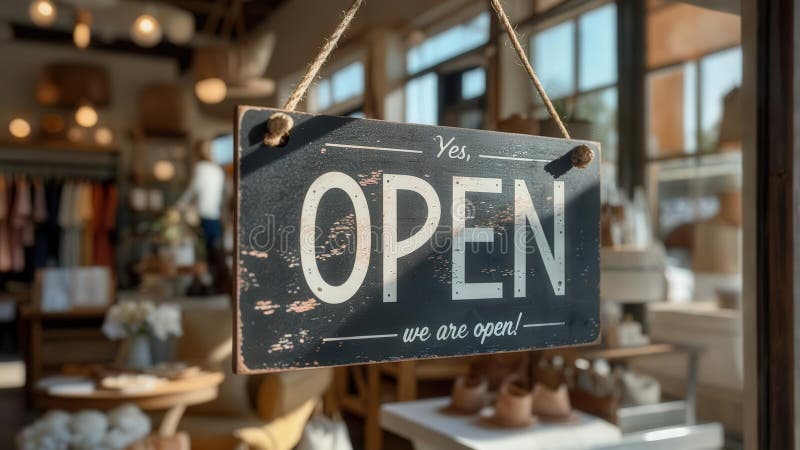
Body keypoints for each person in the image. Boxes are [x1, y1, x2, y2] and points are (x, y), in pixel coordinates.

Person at [176, 140, 225, 260]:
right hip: (215, 215)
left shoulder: (200, 167)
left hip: (203, 214)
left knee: (202, 253)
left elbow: (194, 189)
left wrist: (180, 204)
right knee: (214, 252)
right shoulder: (218, 170)